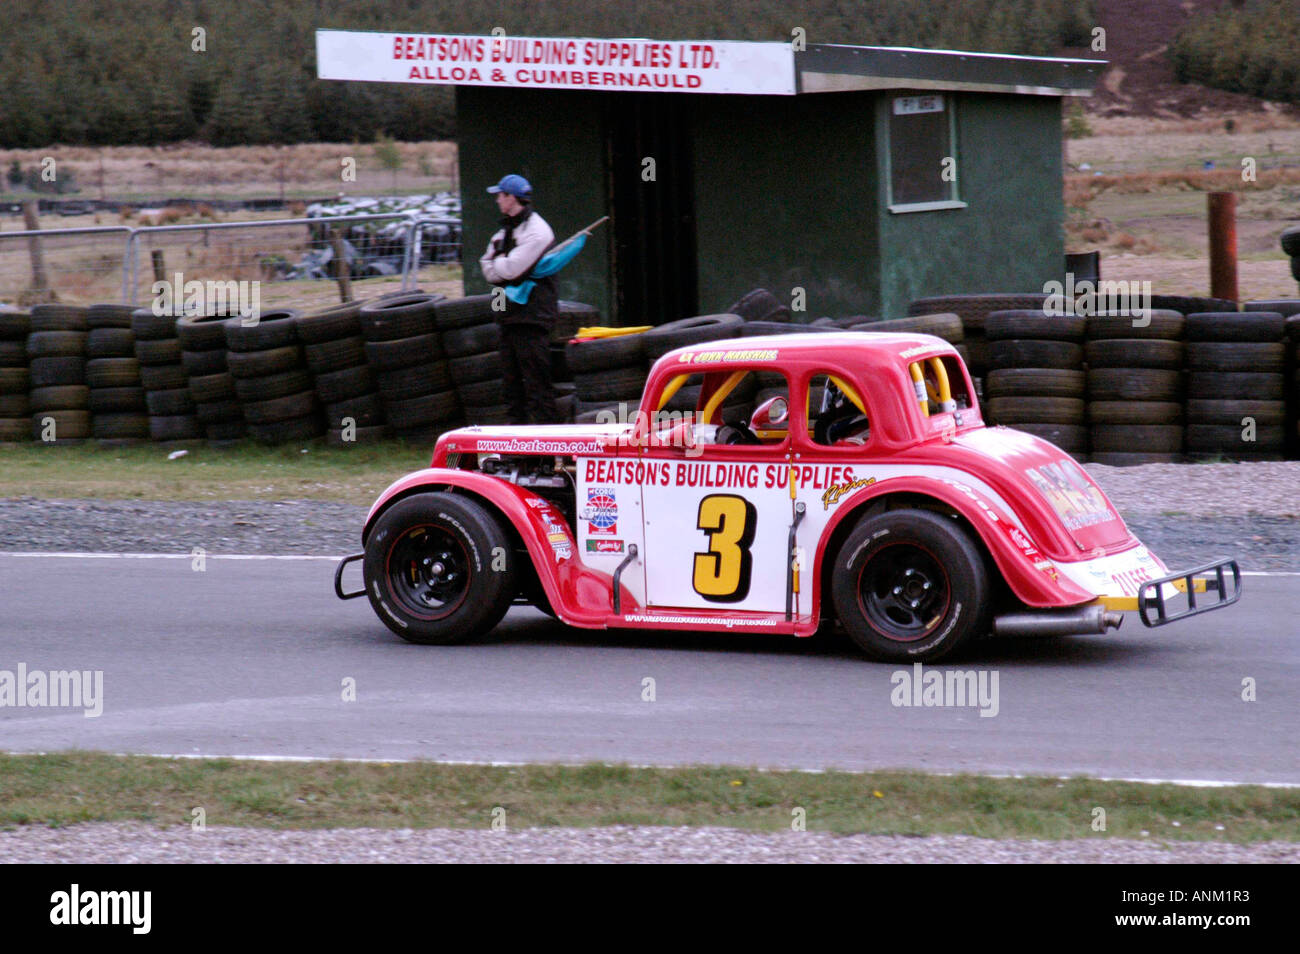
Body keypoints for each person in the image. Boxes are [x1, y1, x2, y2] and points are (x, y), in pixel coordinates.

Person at [479, 173, 560, 424]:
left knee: (537, 386)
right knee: (511, 388)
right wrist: (501, 268)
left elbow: (511, 269)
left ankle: (549, 448)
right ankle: (516, 451)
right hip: (506, 316)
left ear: (511, 198)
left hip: (532, 318)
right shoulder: (505, 229)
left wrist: (499, 266)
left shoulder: (538, 232)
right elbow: (486, 267)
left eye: (499, 196)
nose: (496, 201)